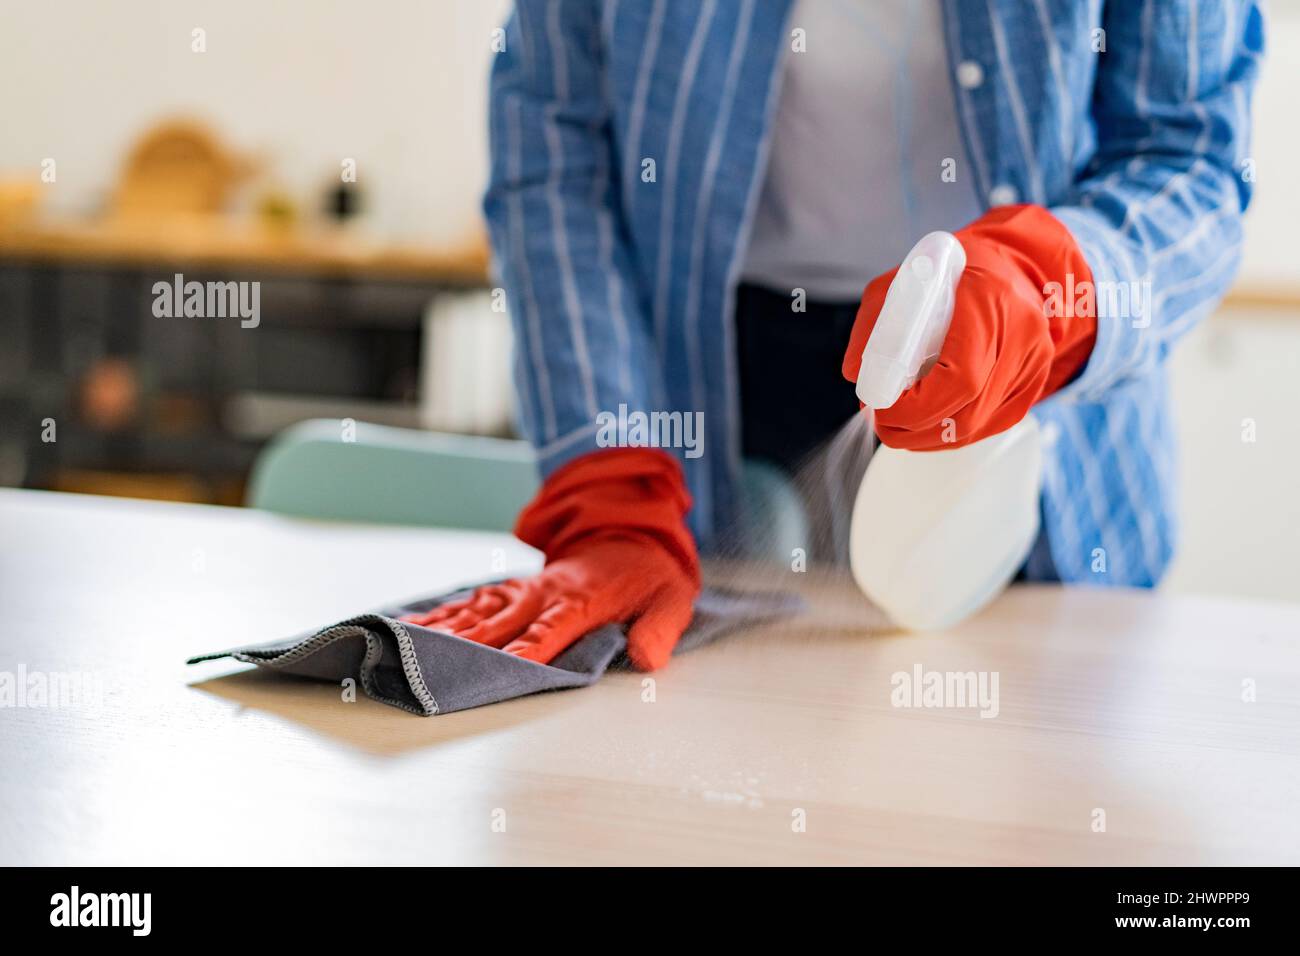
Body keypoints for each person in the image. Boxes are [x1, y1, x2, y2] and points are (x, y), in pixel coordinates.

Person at [407, 1, 1263, 669]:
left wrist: (1055, 289)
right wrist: (611, 482)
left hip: (1030, 382)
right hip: (704, 378)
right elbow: (557, 155)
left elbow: (1189, 159)